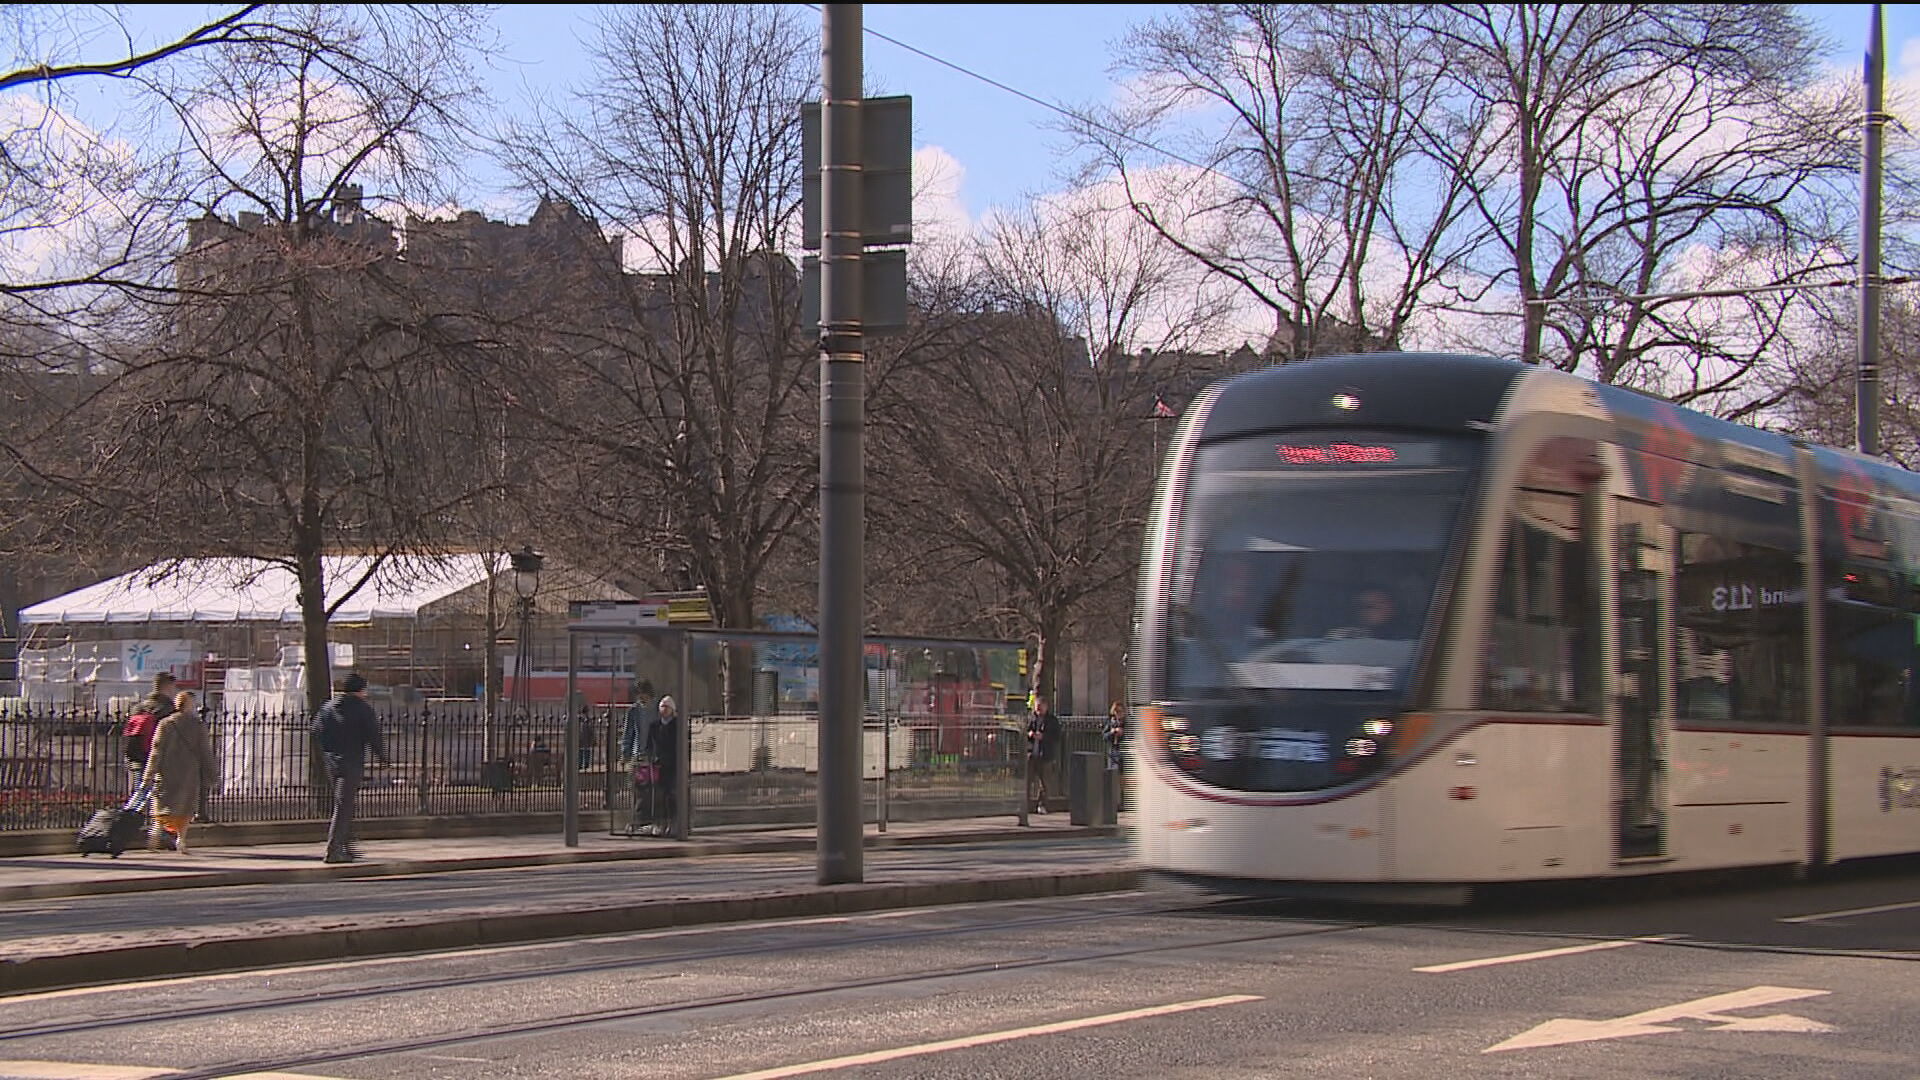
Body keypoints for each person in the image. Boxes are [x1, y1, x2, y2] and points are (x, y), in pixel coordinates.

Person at [312, 672, 389, 863]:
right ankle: (334, 849)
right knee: (344, 806)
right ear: (361, 690)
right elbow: (373, 735)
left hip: (332, 761)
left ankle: (345, 846)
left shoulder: (327, 708)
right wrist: (382, 758)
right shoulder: (362, 709)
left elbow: (315, 730)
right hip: (352, 761)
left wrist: (327, 750)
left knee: (344, 803)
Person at [141, 690, 215, 854]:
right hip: (188, 773)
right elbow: (205, 752)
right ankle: (181, 839)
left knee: (162, 804)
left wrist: (149, 774)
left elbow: (156, 751)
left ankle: (156, 831)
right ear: (190, 705)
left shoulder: (165, 724)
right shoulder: (197, 726)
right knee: (186, 808)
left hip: (166, 770)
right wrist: (211, 774)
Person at [122, 671, 177, 794]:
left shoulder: (138, 708)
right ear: (168, 686)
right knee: (154, 797)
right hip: (157, 761)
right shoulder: (168, 709)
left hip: (135, 757)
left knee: (138, 793)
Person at [644, 695, 680, 837]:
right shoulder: (654, 725)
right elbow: (649, 744)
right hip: (658, 764)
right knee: (659, 794)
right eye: (662, 707)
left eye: (667, 707)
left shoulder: (677, 725)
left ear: (672, 710)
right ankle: (661, 822)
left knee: (671, 793)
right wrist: (650, 756)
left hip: (673, 763)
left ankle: (673, 822)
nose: (664, 709)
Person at [1026, 695, 1063, 814]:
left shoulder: (1052, 720)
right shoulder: (1032, 719)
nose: (1038, 709)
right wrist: (1030, 734)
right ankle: (1027, 806)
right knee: (1028, 780)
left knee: (1044, 783)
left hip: (1045, 755)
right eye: (1037, 707)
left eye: (1040, 707)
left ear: (1046, 707)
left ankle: (1042, 804)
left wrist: (1044, 737)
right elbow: (1025, 731)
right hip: (1032, 754)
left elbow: (1057, 737)